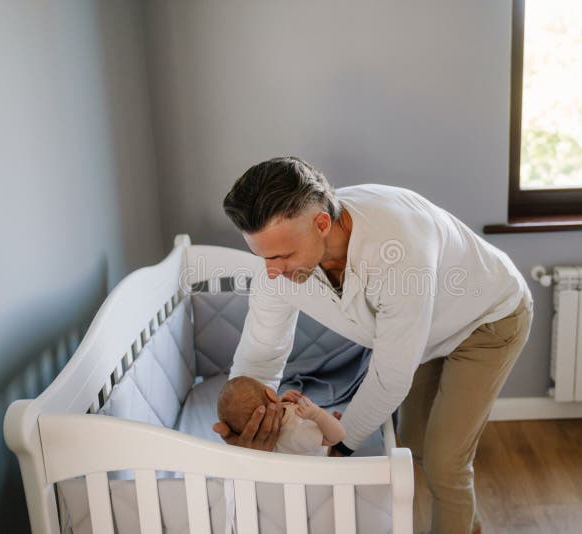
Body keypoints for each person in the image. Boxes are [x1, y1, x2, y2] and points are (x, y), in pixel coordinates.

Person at [212, 156, 533, 533]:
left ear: (321, 224)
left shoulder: (398, 248)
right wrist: (247, 421)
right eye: (263, 255)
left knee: (445, 462)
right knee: (412, 441)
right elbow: (261, 354)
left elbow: (390, 376)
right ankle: (470, 525)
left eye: (283, 255)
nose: (272, 271)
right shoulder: (275, 267)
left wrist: (336, 446)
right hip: (425, 332)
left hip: (487, 320)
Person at [216, 376, 345, 455]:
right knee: (333, 434)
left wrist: (283, 401)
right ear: (271, 394)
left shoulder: (264, 441)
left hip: (302, 448)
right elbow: (338, 436)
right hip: (326, 453)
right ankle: (330, 423)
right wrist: (318, 415)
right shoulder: (298, 431)